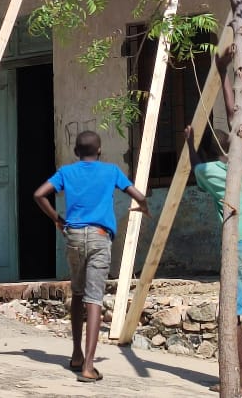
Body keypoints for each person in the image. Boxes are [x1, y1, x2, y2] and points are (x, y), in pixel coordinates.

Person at [185, 58, 242, 397]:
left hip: (236, 246)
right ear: (233, 150)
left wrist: (189, 140)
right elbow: (233, 113)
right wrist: (225, 75)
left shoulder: (207, 174)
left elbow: (195, 164)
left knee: (233, 312)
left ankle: (240, 380)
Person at [33, 130, 150, 384]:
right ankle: (88, 366)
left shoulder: (66, 172)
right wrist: (143, 206)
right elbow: (139, 195)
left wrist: (57, 220)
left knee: (77, 293)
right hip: (99, 237)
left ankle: (76, 354)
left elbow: (39, 194)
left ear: (76, 152)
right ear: (99, 151)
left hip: (73, 236)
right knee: (94, 298)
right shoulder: (111, 171)